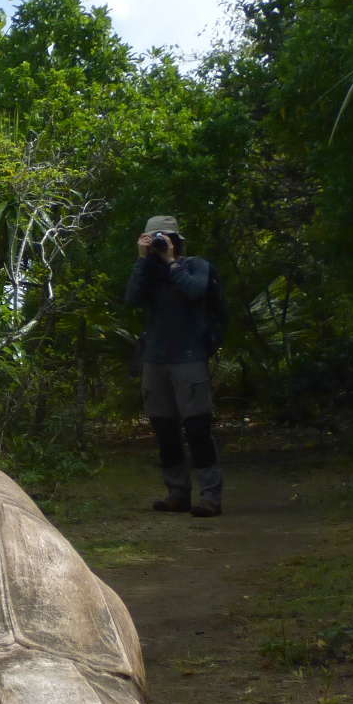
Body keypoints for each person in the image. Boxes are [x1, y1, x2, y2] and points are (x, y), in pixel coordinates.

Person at [126, 215, 227, 516]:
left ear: (177, 240)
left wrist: (171, 261)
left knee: (197, 427)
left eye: (165, 238)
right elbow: (131, 299)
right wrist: (143, 261)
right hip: (155, 359)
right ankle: (177, 493)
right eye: (154, 238)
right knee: (164, 428)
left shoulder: (196, 266)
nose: (160, 243)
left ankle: (210, 496)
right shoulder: (148, 272)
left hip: (189, 358)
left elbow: (196, 291)